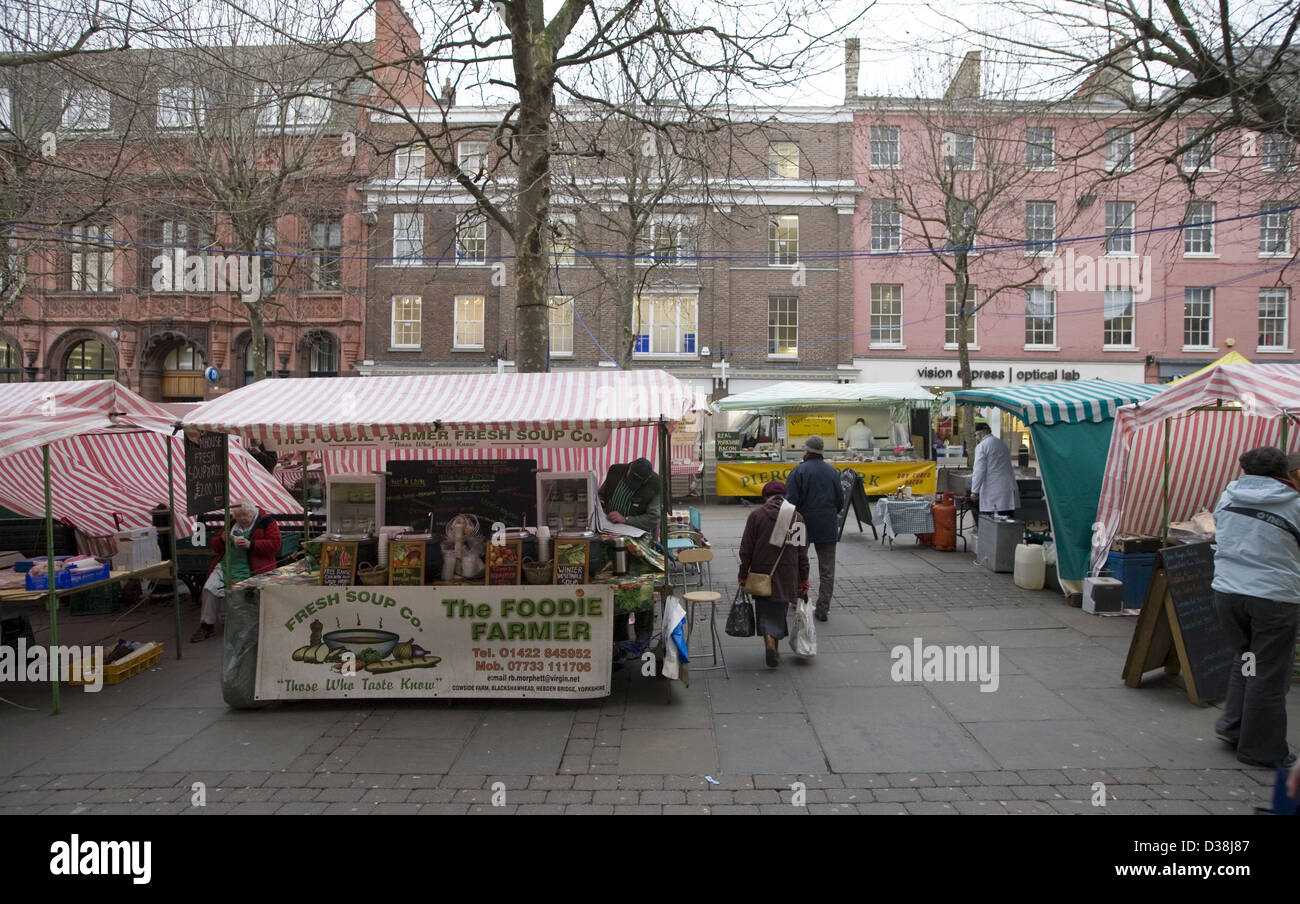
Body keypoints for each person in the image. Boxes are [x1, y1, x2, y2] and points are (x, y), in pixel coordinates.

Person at [1211, 445, 1300, 768]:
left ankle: (1234, 727)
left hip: (1229, 592)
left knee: (1246, 659)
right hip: (1273, 598)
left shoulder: (1228, 497)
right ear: (1283, 473)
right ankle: (1261, 749)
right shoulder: (1294, 505)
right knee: (1269, 675)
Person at [738, 480, 809, 667]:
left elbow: (746, 548)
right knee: (780, 609)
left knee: (764, 609)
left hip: (762, 571)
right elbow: (801, 551)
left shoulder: (756, 516)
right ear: (784, 496)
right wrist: (804, 577)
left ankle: (769, 642)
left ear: (765, 497)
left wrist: (743, 572)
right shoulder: (797, 518)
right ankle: (774, 646)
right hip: (788, 571)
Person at [192, 500, 281, 642]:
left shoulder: (267, 522)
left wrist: (251, 544)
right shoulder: (232, 523)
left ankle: (238, 625)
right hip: (225, 565)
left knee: (239, 593)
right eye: (238, 516)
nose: (241, 519)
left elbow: (275, 545)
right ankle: (206, 626)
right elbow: (215, 546)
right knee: (209, 589)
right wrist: (222, 540)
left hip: (252, 568)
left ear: (252, 513)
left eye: (245, 515)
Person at [785, 435, 844, 623]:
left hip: (802, 524)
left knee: (798, 562)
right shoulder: (833, 472)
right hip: (827, 525)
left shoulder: (798, 471)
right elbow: (840, 501)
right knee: (827, 569)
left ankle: (798, 598)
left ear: (807, 451)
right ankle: (823, 607)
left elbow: (791, 501)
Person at [598, 457, 662, 537]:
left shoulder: (656, 484)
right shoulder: (615, 471)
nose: (633, 483)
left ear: (647, 478)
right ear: (630, 468)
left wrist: (625, 519)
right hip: (610, 530)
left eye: (638, 481)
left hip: (639, 536)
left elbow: (654, 517)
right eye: (632, 478)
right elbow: (600, 494)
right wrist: (601, 502)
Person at [969, 421, 1018, 518]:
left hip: (994, 492)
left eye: (976, 435)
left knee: (994, 525)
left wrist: (975, 491)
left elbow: (979, 471)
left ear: (980, 434)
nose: (976, 438)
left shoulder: (982, 446)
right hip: (1008, 489)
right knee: (1007, 522)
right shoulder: (1001, 443)